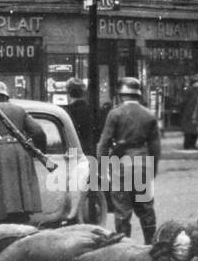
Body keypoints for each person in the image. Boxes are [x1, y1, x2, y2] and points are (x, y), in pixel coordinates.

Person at [0, 80, 48, 224]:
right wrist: (35, 149)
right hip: (22, 152)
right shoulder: (19, 110)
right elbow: (38, 131)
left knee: (4, 201)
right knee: (21, 199)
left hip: (2, 155)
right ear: (6, 96)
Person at [96, 77, 160, 243]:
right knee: (146, 209)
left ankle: (125, 247)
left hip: (121, 164)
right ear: (138, 95)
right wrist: (152, 170)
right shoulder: (149, 115)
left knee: (122, 211)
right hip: (143, 163)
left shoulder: (115, 114)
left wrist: (103, 171)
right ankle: (150, 246)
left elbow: (103, 144)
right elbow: (155, 147)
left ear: (121, 94)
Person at [62, 78, 93, 153]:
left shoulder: (66, 112)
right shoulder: (90, 110)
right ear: (83, 93)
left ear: (68, 93)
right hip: (88, 150)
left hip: (72, 152)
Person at [179, 77, 198, 151]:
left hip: (194, 112)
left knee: (194, 130)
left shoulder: (197, 91)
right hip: (188, 113)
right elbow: (184, 102)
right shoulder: (189, 90)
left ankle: (191, 144)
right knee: (189, 130)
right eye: (197, 82)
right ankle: (188, 144)